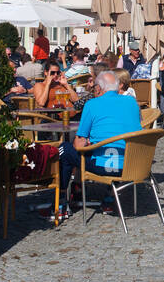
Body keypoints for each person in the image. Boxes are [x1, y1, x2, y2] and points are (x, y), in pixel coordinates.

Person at [59, 70, 142, 202]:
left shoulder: (92, 105)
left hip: (107, 166)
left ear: (99, 88)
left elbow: (79, 145)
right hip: (132, 165)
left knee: (64, 149)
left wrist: (88, 142)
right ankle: (107, 196)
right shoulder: (132, 102)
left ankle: (61, 200)